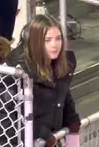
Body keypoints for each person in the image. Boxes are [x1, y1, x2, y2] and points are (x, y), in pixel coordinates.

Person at [18, 14, 80, 147]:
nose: (55, 45)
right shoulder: (19, 71)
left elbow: (63, 93)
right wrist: (40, 134)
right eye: (48, 40)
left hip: (52, 137)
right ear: (36, 43)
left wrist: (72, 122)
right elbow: (2, 117)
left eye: (58, 39)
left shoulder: (63, 63)